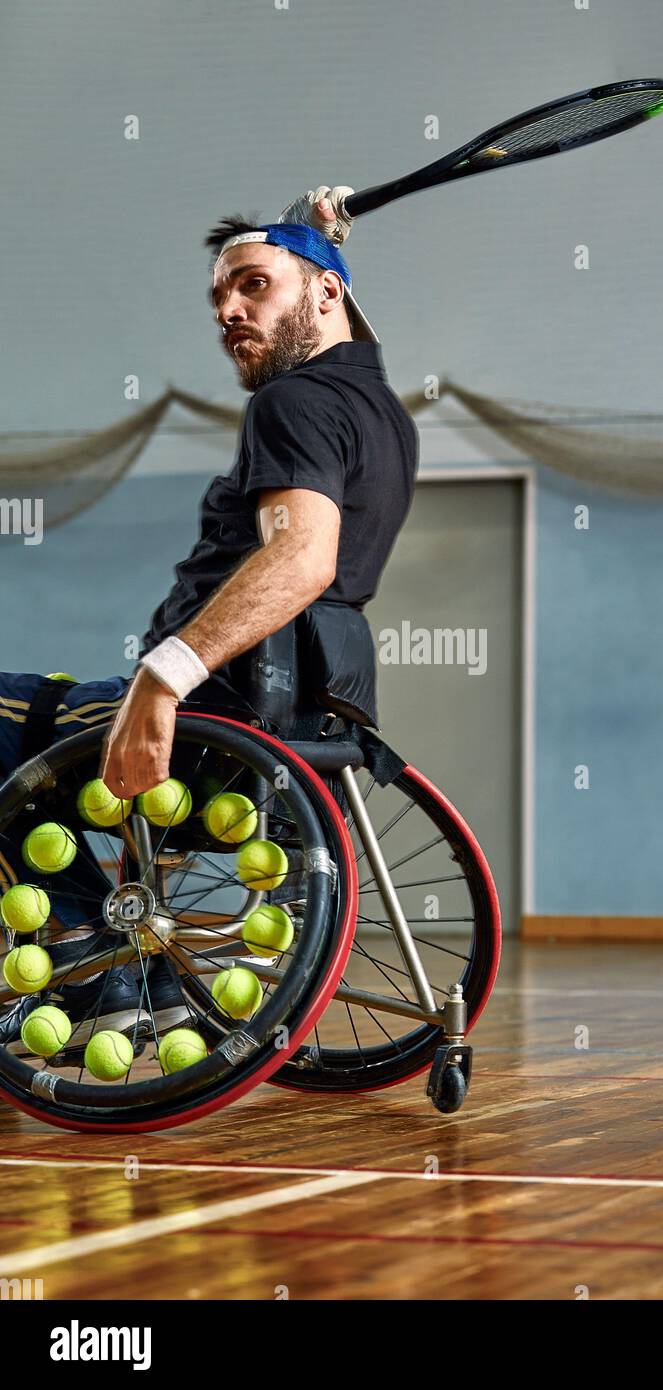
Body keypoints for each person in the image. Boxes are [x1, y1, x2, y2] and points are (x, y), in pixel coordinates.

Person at [0, 189, 419, 1051]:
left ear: (325, 295)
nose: (230, 310)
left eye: (255, 286)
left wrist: (163, 677)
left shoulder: (291, 404)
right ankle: (122, 966)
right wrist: (317, 243)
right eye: (220, 297)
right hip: (296, 739)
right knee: (43, 701)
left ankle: (87, 945)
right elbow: (344, 330)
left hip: (208, 728)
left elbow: (304, 558)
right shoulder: (380, 413)